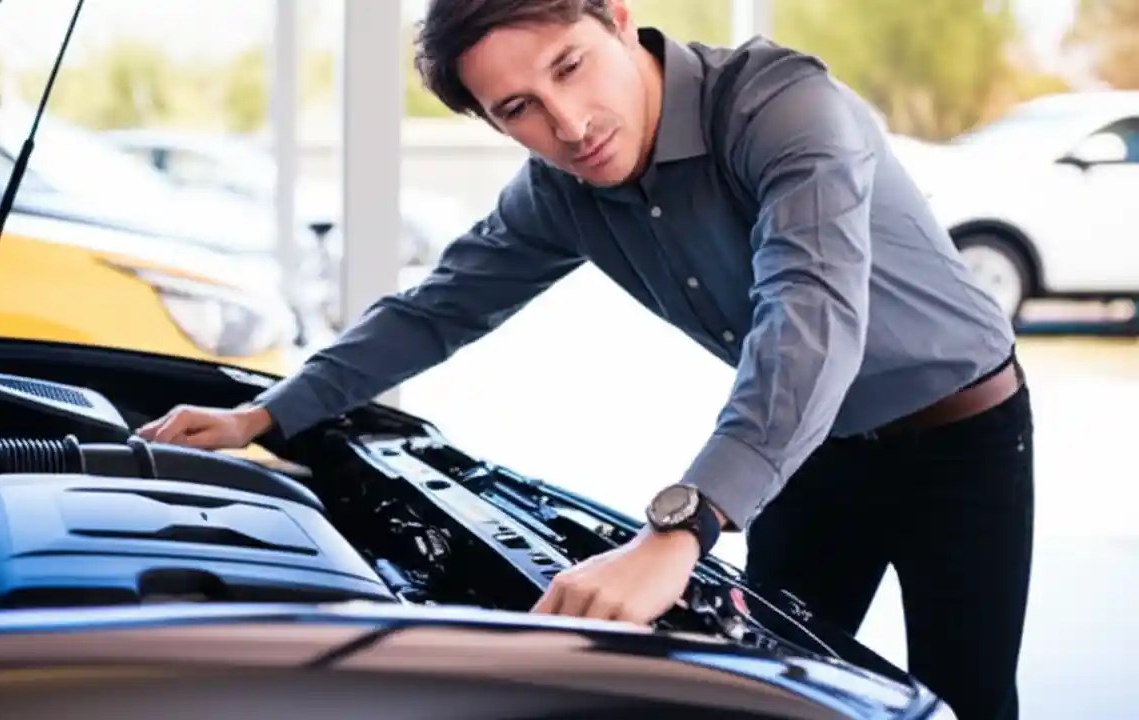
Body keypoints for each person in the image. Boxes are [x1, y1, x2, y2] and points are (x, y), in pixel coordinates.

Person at [139, 1, 1034, 717]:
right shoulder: (559, 193)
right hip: (804, 452)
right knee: (771, 690)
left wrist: (682, 527)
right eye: (516, 109)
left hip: (960, 439)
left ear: (614, 17)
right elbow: (437, 308)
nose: (567, 125)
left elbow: (811, 317)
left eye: (567, 66)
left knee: (968, 700)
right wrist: (266, 413)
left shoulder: (783, 107)